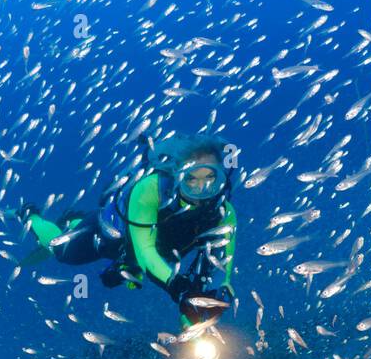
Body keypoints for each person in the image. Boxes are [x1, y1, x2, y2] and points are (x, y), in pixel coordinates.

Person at [21, 132, 238, 328]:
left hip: (156, 254)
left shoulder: (223, 213)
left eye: (210, 178)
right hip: (111, 238)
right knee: (61, 251)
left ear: (222, 176)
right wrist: (178, 288)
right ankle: (31, 215)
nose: (202, 189)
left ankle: (76, 221)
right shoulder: (149, 190)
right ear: (178, 175)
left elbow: (219, 270)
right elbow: (145, 252)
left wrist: (203, 307)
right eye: (191, 179)